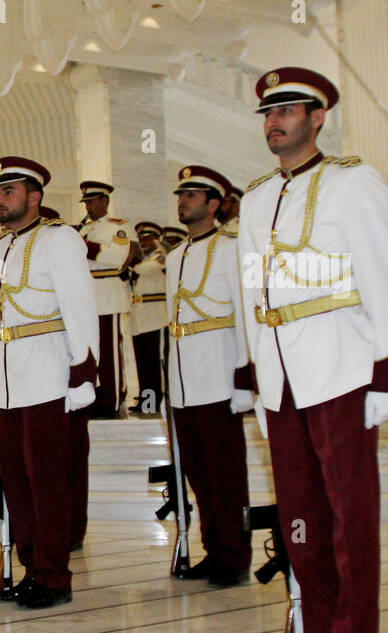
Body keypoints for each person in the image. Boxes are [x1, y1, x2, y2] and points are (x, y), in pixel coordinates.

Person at [237, 68, 388, 633]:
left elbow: (382, 274)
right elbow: (251, 294)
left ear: (318, 117)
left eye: (287, 110)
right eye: (268, 112)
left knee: (348, 511)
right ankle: (315, 630)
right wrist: (258, 376)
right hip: (282, 373)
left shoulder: (352, 181)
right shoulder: (256, 198)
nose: (274, 121)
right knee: (300, 514)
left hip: (342, 365)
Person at [0, 157, 99, 608]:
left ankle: (53, 576)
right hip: (8, 380)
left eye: (9, 191)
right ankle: (30, 568)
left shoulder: (60, 239)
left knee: (47, 482)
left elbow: (80, 306)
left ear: (34, 196)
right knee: (16, 483)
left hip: (48, 374)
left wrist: (82, 371)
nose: (1, 199)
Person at [166, 165, 253, 586]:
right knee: (198, 474)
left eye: (192, 195)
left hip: (219, 374)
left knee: (226, 475)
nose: (183, 202)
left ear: (215, 204)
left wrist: (244, 376)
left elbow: (246, 314)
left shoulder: (232, 248)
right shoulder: (175, 257)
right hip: (184, 380)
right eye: (181, 195)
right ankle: (213, 549)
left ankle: (234, 557)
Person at [77, 181, 131, 418]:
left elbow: (117, 258)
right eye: (86, 202)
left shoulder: (117, 228)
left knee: (108, 352)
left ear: (105, 200)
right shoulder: (83, 229)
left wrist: (86, 246)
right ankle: (94, 398)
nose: (88, 207)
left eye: (91, 201)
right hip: (86, 295)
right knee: (90, 351)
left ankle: (112, 399)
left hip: (107, 295)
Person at [128, 221, 167, 415]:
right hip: (139, 316)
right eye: (141, 239)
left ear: (157, 239)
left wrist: (130, 260)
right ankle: (145, 399)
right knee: (142, 363)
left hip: (154, 316)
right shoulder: (144, 259)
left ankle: (152, 403)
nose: (143, 243)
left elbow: (144, 269)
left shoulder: (161, 256)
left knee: (151, 363)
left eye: (147, 239)